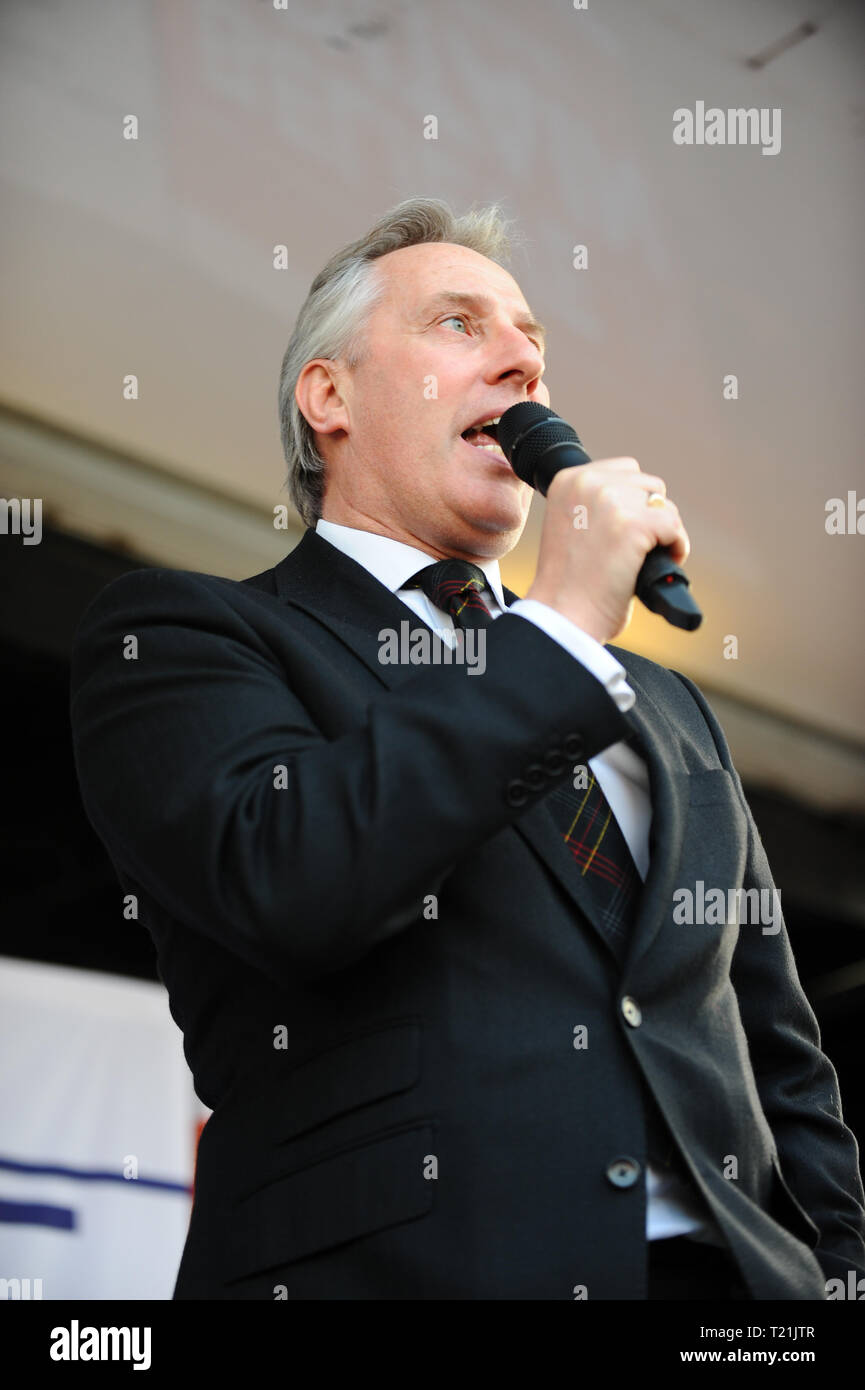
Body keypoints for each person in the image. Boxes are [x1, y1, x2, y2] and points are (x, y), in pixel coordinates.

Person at [70, 197, 865, 1300]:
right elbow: (293, 879)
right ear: (328, 396)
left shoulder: (669, 707)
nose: (522, 363)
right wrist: (557, 627)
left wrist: (829, 1278)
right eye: (459, 324)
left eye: (533, 341)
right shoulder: (185, 637)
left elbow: (775, 1040)